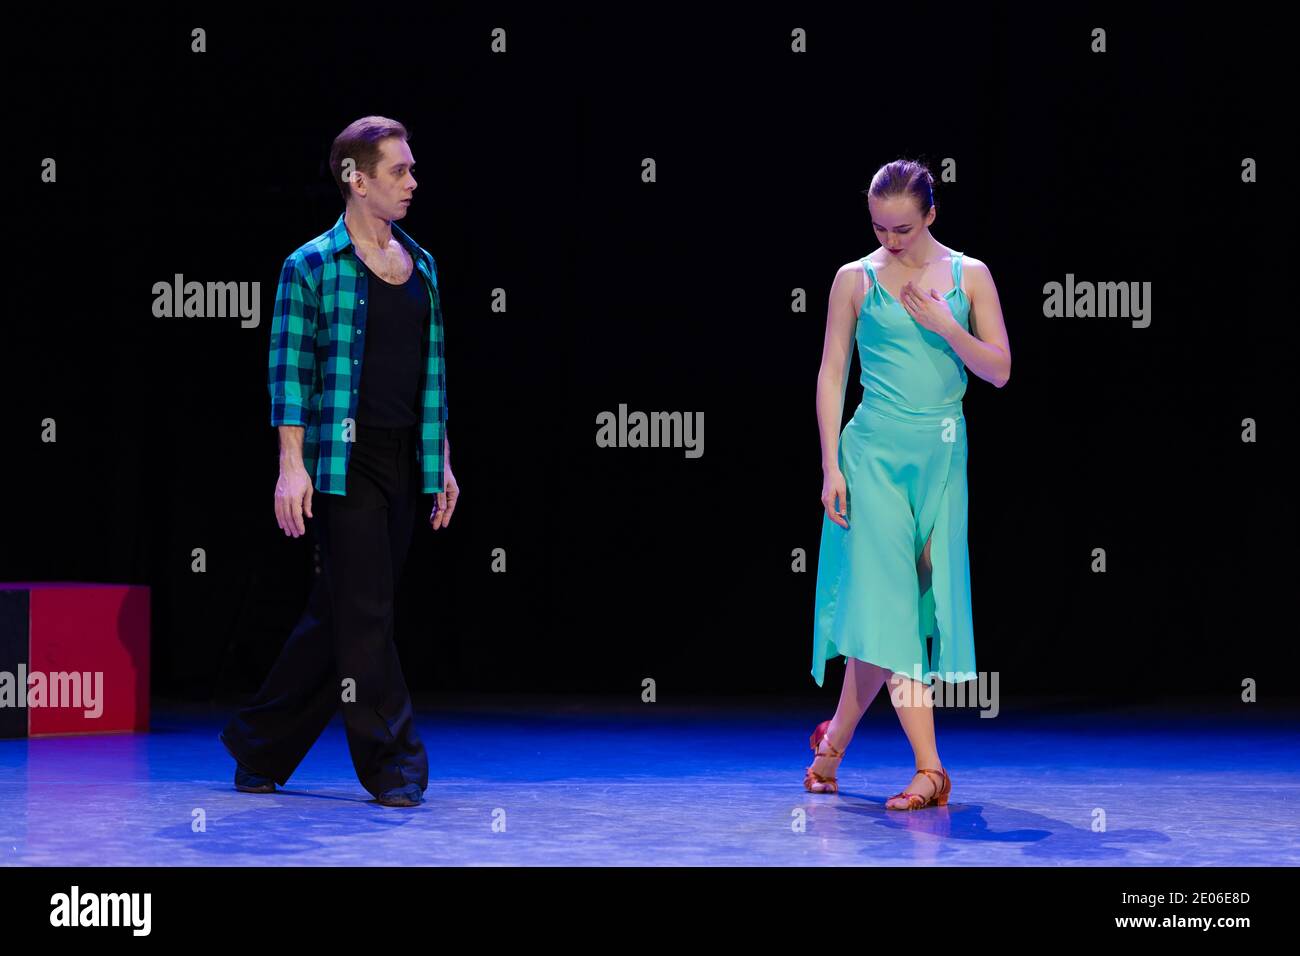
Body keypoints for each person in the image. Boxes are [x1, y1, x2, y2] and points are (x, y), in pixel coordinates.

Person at [218, 115, 459, 808]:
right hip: (338, 462)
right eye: (399, 171)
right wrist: (290, 467)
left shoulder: (424, 265)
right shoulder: (311, 267)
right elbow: (288, 374)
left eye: (411, 169)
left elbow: (431, 374)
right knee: (367, 612)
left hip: (403, 457)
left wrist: (440, 458)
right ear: (358, 181)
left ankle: (260, 745)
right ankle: (393, 761)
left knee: (343, 614)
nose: (412, 182)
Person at [806, 159, 1011, 809]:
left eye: (901, 228)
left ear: (930, 214)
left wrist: (946, 326)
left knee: (899, 615)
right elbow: (833, 370)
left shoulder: (969, 275)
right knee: (891, 607)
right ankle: (931, 769)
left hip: (942, 456)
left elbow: (1000, 370)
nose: (890, 240)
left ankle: (832, 745)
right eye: (878, 227)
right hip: (872, 455)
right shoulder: (855, 279)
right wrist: (830, 464)